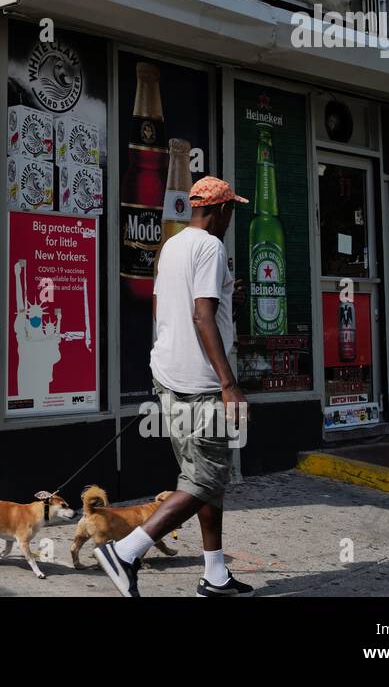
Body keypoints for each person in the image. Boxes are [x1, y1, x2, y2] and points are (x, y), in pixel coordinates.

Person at [95, 176, 255, 597]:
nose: (230, 218)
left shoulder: (172, 246)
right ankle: (125, 552)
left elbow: (172, 306)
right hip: (200, 382)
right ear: (219, 210)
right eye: (231, 210)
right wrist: (228, 383)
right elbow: (201, 317)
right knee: (206, 478)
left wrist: (227, 304)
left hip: (168, 375)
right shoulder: (211, 247)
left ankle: (215, 574)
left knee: (202, 476)